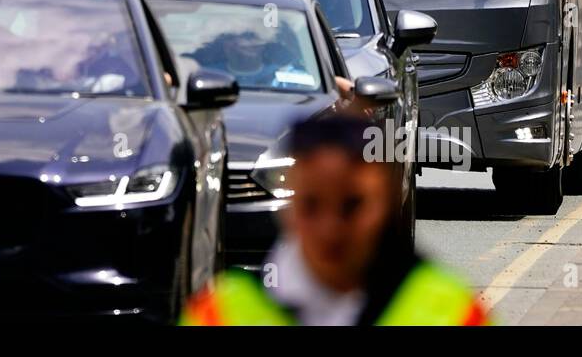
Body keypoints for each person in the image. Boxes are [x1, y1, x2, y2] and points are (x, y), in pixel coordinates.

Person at [181, 113, 489, 325]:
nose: (331, 230)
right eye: (311, 206)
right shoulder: (218, 313)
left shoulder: (455, 313)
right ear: (289, 208)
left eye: (352, 206)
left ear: (388, 203)